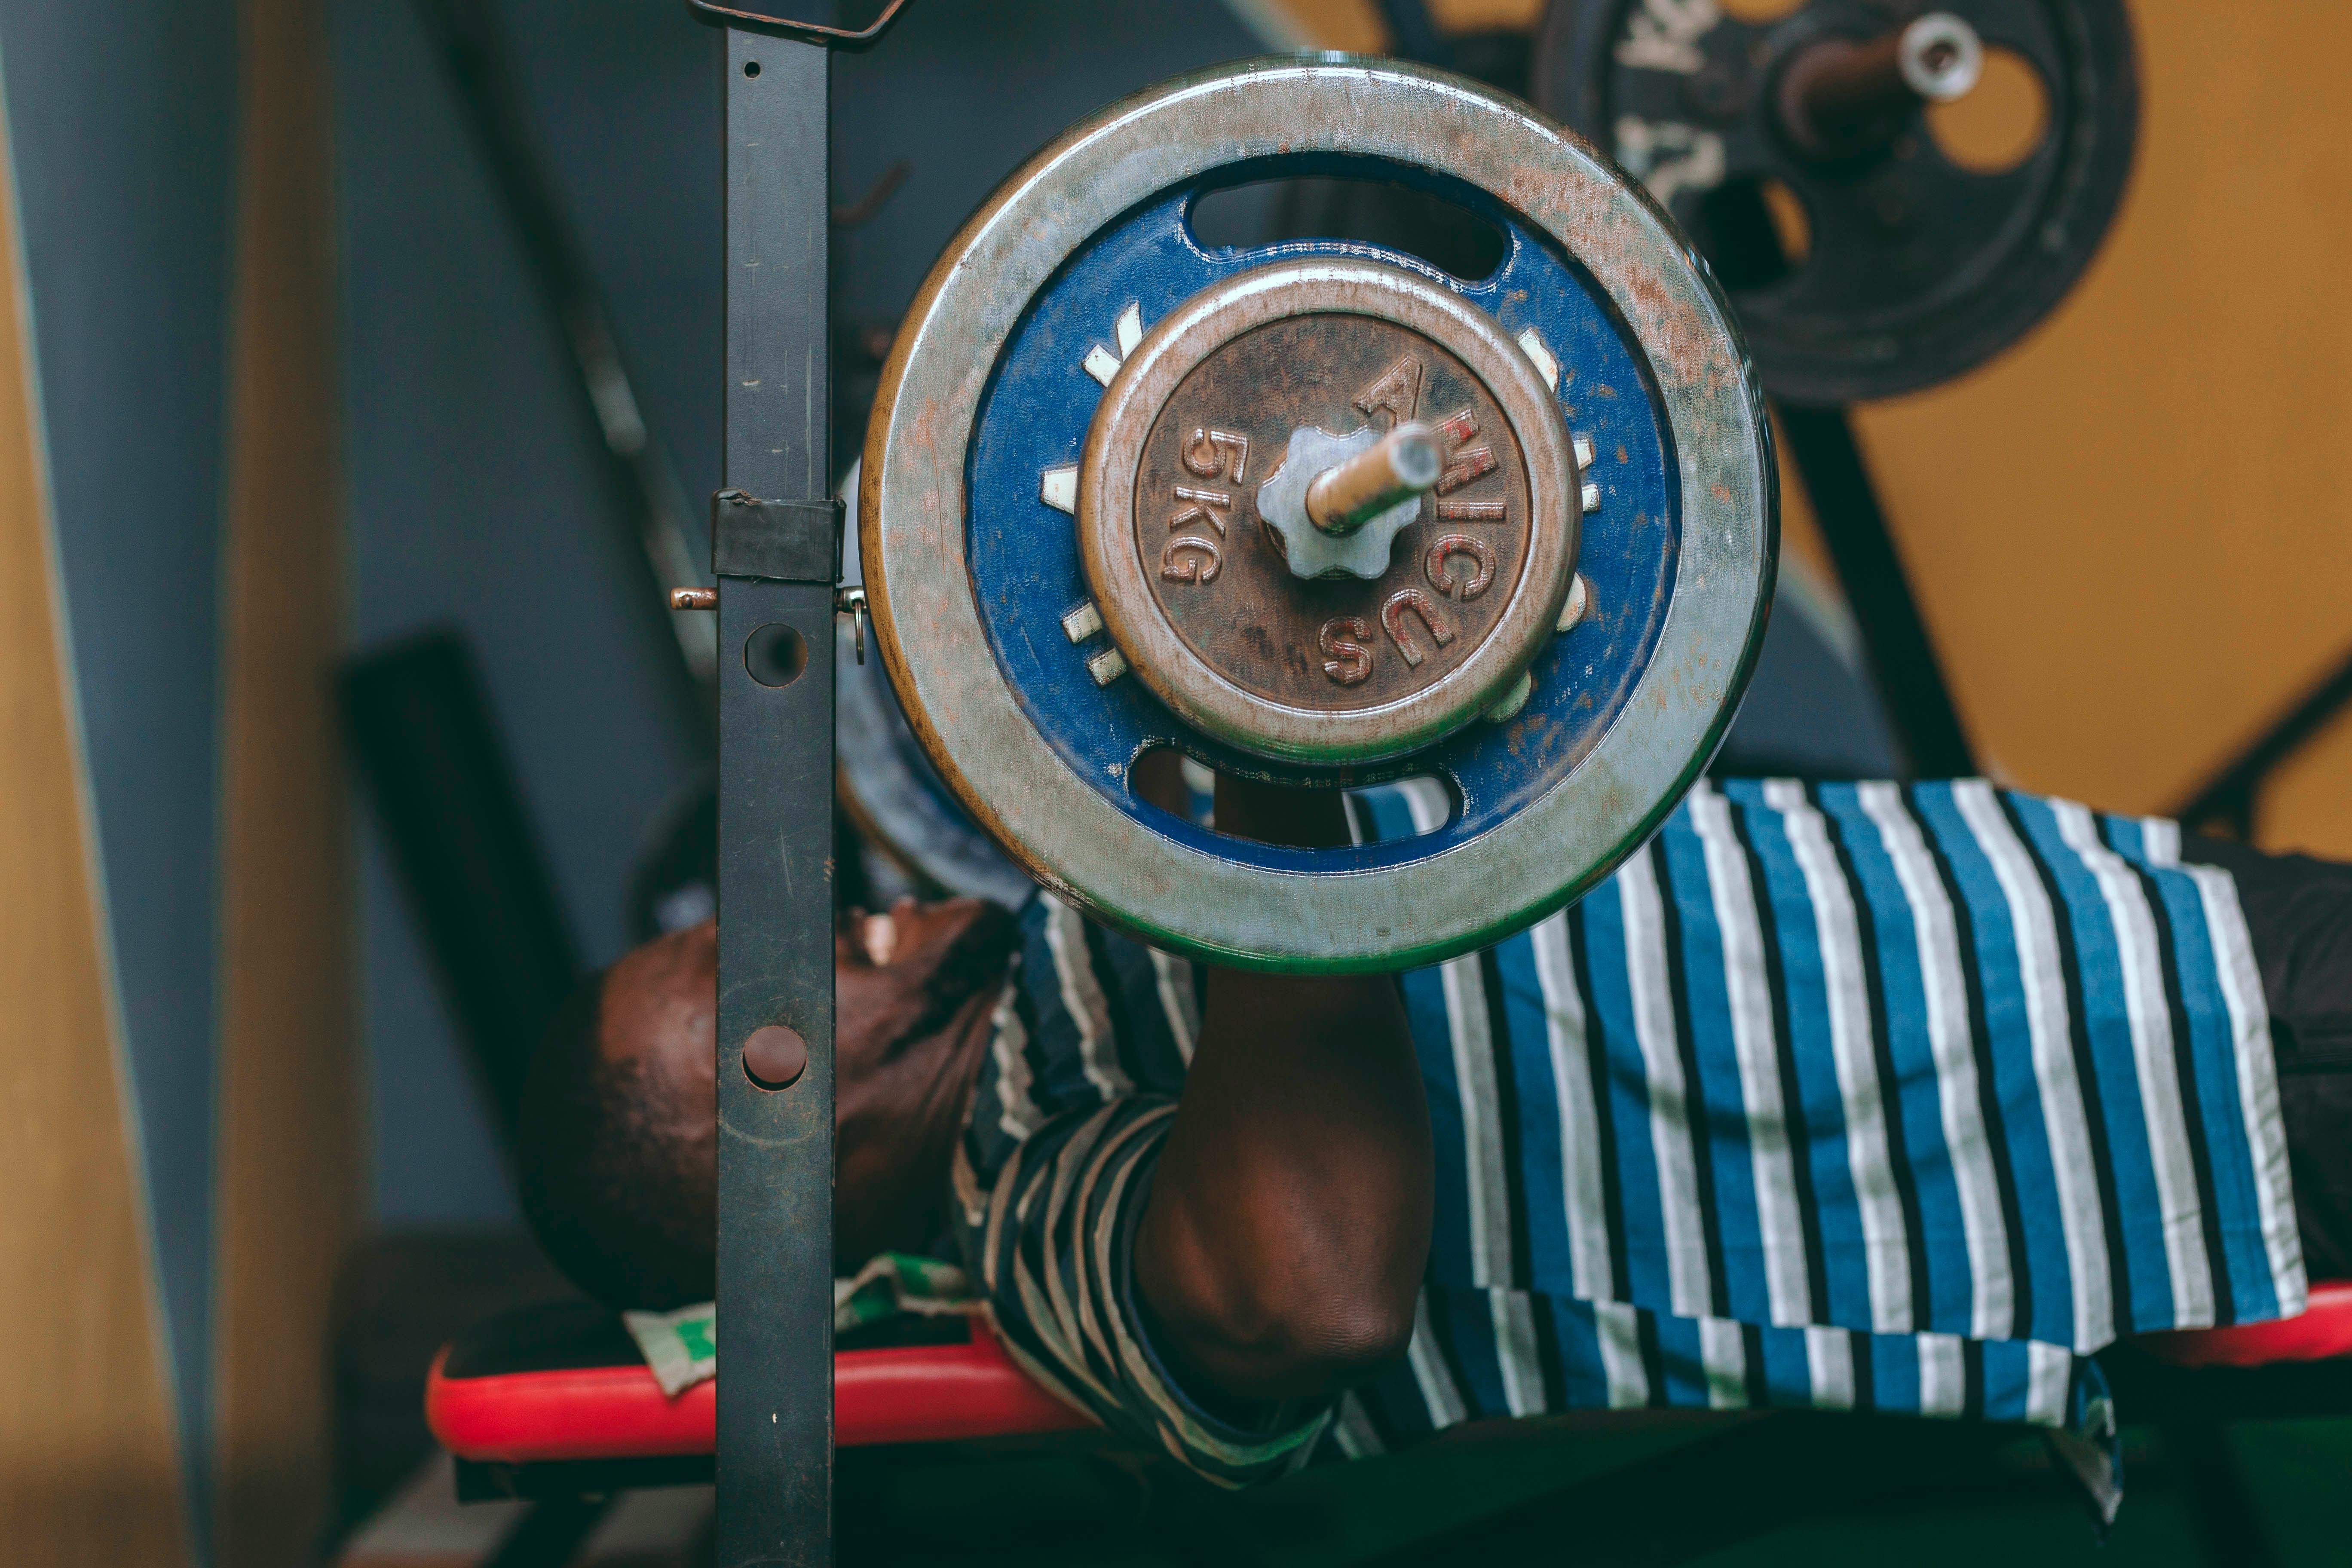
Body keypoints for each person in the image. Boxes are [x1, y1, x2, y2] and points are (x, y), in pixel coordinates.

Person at [517, 756, 2352, 1491]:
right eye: (737, 981)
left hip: (2118, 915)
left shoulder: (1084, 909)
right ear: (777, 1135)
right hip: (2159, 1124)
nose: (793, 925)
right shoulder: (1034, 1216)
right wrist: (1257, 795)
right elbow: (1301, 1297)